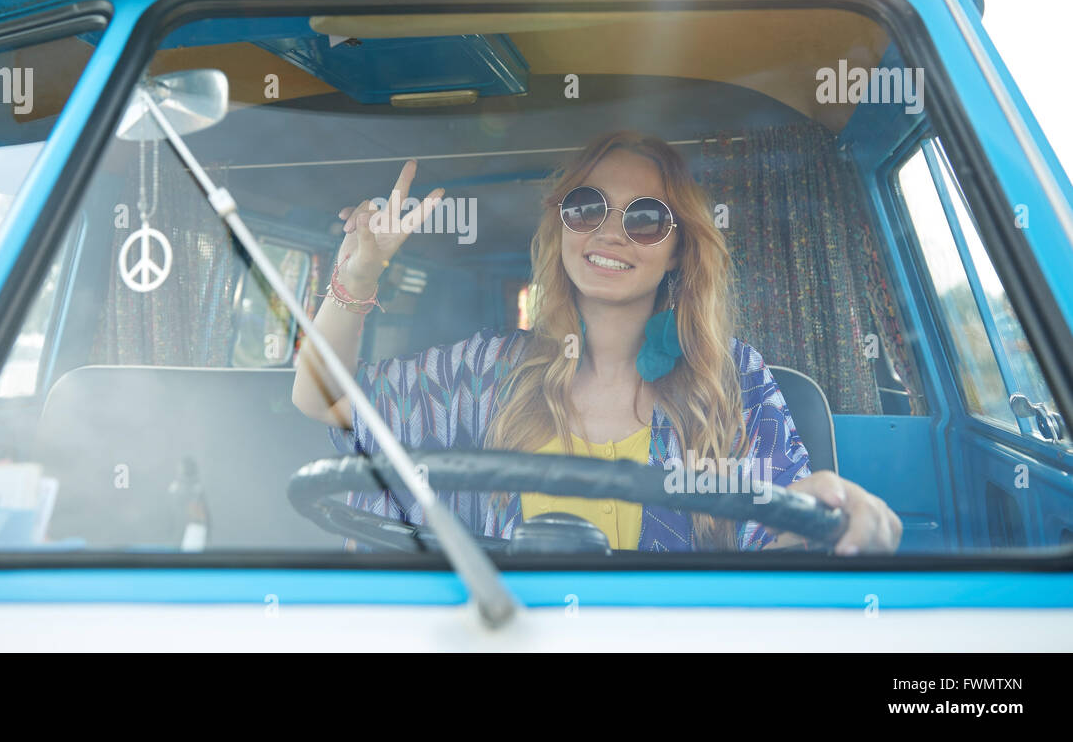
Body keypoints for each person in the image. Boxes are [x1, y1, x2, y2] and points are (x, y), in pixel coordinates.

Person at [291, 131, 902, 553]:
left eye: (643, 219)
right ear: (563, 229)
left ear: (678, 250)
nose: (610, 233)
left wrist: (833, 510)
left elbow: (780, 536)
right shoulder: (487, 370)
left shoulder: (734, 380)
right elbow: (325, 401)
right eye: (587, 208)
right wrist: (357, 275)